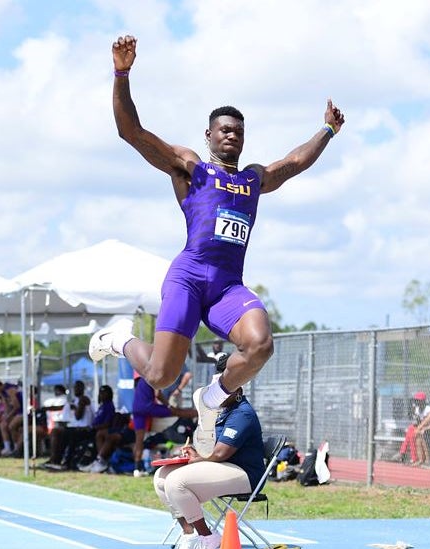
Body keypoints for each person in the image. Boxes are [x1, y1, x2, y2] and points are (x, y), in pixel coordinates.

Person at [90, 34, 345, 456]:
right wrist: (122, 73)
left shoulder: (252, 179)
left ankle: (210, 399)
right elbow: (130, 131)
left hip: (227, 287)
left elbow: (296, 162)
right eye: (224, 130)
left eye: (238, 133)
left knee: (261, 344)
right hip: (189, 277)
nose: (232, 137)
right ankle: (119, 339)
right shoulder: (191, 168)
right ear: (209, 134)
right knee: (159, 374)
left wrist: (327, 130)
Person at [154, 383, 265, 549]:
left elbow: (221, 454)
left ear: (238, 390)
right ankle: (189, 534)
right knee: (162, 477)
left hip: (244, 474)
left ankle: (208, 537)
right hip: (223, 466)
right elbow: (214, 451)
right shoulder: (223, 410)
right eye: (216, 390)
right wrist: (196, 454)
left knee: (175, 482)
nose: (217, 395)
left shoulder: (242, 413)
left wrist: (197, 461)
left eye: (223, 390)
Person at [130, 376, 197, 477]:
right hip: (148, 407)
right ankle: (199, 413)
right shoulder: (153, 376)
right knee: (178, 412)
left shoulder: (142, 377)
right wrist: (169, 405)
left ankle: (137, 469)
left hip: (136, 408)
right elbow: (158, 394)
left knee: (139, 440)